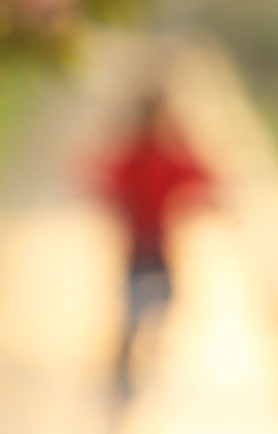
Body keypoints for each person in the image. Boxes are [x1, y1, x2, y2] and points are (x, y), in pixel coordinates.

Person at [99, 92, 212, 399]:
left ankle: (132, 353)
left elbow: (199, 177)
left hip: (152, 246)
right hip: (144, 246)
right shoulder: (141, 154)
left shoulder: (152, 153)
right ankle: (128, 358)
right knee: (142, 307)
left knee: (154, 303)